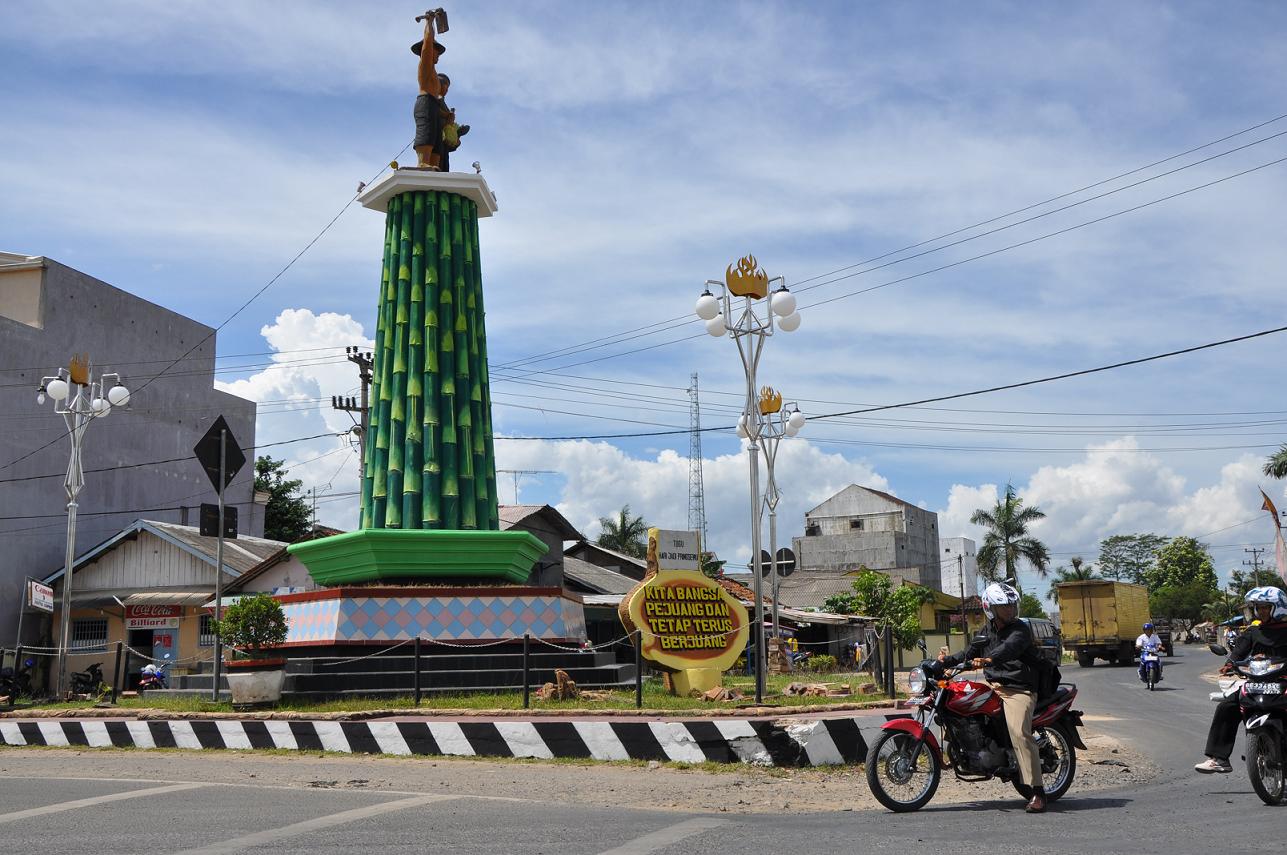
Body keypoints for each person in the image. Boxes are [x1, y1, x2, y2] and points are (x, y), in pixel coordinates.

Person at [938, 582, 1048, 813]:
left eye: (1011, 605)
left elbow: (1008, 649)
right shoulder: (987, 631)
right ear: (991, 608)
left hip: (1019, 689)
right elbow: (968, 653)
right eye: (1004, 606)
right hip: (994, 685)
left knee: (1019, 733)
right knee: (955, 705)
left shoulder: (1020, 630)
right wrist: (944, 662)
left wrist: (988, 660)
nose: (1010, 610)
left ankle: (1038, 792)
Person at [1194, 586, 1287, 773]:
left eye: (1265, 607)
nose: (1261, 611)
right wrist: (1230, 664)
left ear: (1278, 607)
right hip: (1258, 683)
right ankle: (1219, 759)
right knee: (1226, 706)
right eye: (1258, 608)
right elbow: (1239, 650)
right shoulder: (1254, 630)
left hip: (1283, 681)